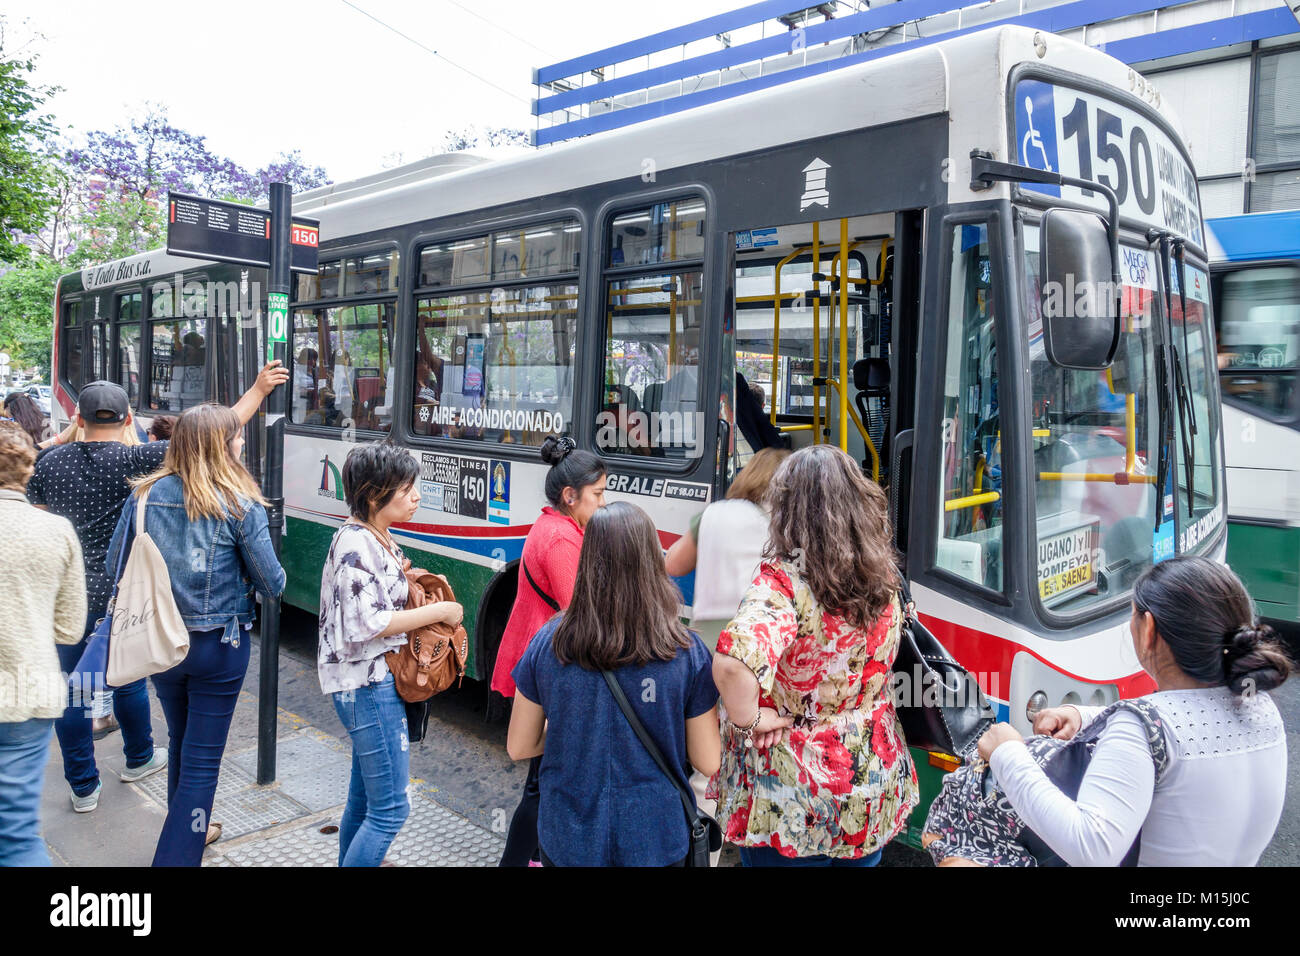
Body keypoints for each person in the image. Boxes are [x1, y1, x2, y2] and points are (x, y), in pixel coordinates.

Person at [28, 363, 288, 815]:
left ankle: (83, 785)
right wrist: (257, 390)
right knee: (128, 676)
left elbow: (44, 517)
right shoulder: (134, 460)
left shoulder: (51, 463)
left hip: (67, 592)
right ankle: (139, 757)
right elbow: (210, 438)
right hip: (130, 601)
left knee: (73, 689)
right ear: (128, 419)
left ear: (77, 419)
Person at [929, 555, 1291, 867]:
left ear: (1148, 630)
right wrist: (1087, 717)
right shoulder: (1261, 707)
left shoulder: (1142, 728)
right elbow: (1185, 726)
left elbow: (1092, 847)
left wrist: (1008, 754)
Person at [712, 444, 918, 866]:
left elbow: (733, 667)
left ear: (787, 509)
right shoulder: (885, 572)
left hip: (792, 794)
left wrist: (751, 719)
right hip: (870, 776)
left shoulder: (785, 584)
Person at [106, 402, 286, 866]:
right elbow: (273, 584)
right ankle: (176, 857)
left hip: (159, 644)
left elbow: (115, 566)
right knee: (202, 764)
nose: (242, 442)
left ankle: (189, 835)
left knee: (183, 745)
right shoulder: (241, 504)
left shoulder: (144, 495)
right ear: (221, 446)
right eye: (236, 437)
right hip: (217, 649)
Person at [507, 501, 720, 866]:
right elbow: (708, 760)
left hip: (569, 837)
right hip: (655, 839)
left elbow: (519, 745)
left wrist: (569, 730)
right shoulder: (687, 652)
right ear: (652, 560)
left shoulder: (550, 642)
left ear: (588, 559)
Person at [316, 443, 463, 867]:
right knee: (391, 811)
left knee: (363, 803)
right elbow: (365, 624)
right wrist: (440, 611)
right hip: (367, 686)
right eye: (406, 488)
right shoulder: (356, 545)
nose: (416, 496)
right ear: (374, 492)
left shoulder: (372, 536)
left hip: (366, 683)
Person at [492, 434, 606, 866]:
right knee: (542, 783)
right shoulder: (561, 540)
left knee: (543, 779)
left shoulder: (556, 525)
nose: (602, 502)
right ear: (570, 495)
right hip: (549, 669)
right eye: (597, 494)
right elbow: (578, 613)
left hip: (540, 661)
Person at [0, 424, 86, 865]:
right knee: (16, 836)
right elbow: (71, 629)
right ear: (27, 471)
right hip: (27, 696)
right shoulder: (55, 530)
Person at [665, 446, 790, 651]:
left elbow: (673, 564)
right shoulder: (794, 524)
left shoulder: (714, 514)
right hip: (769, 639)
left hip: (712, 641)